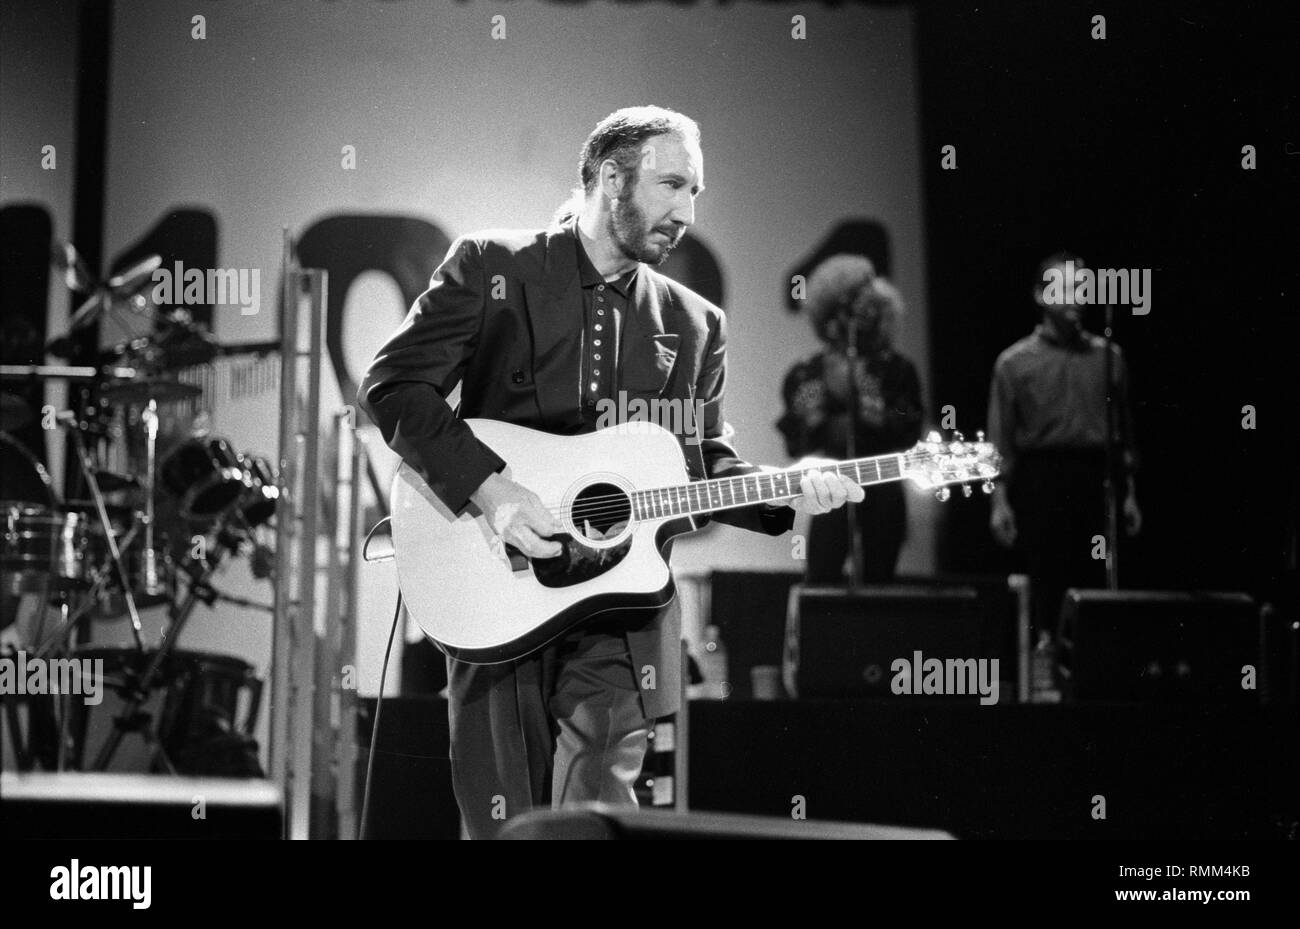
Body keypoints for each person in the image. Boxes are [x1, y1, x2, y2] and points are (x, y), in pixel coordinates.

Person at [357, 106, 863, 838]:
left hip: (625, 612)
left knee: (593, 818)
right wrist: (493, 490)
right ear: (608, 177)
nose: (686, 213)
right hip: (497, 590)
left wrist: (787, 488)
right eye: (670, 186)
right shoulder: (491, 265)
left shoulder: (695, 323)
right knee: (504, 818)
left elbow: (698, 461)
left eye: (695, 193)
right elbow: (395, 386)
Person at [986, 250, 1141, 642]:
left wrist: (1130, 494)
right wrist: (999, 501)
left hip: (1096, 476)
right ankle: (1046, 661)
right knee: (1047, 576)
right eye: (1066, 286)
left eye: (1082, 287)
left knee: (1097, 574)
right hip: (1042, 478)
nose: (1076, 295)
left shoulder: (1109, 357)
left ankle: (1096, 666)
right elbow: (1000, 436)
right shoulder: (1014, 362)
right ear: (1040, 295)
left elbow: (1123, 431)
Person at [776, 255, 923, 583]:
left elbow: (910, 430)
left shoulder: (897, 369)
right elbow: (794, 442)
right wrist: (816, 422)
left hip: (884, 489)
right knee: (821, 578)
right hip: (828, 488)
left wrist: (874, 415)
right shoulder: (805, 373)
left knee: (880, 582)